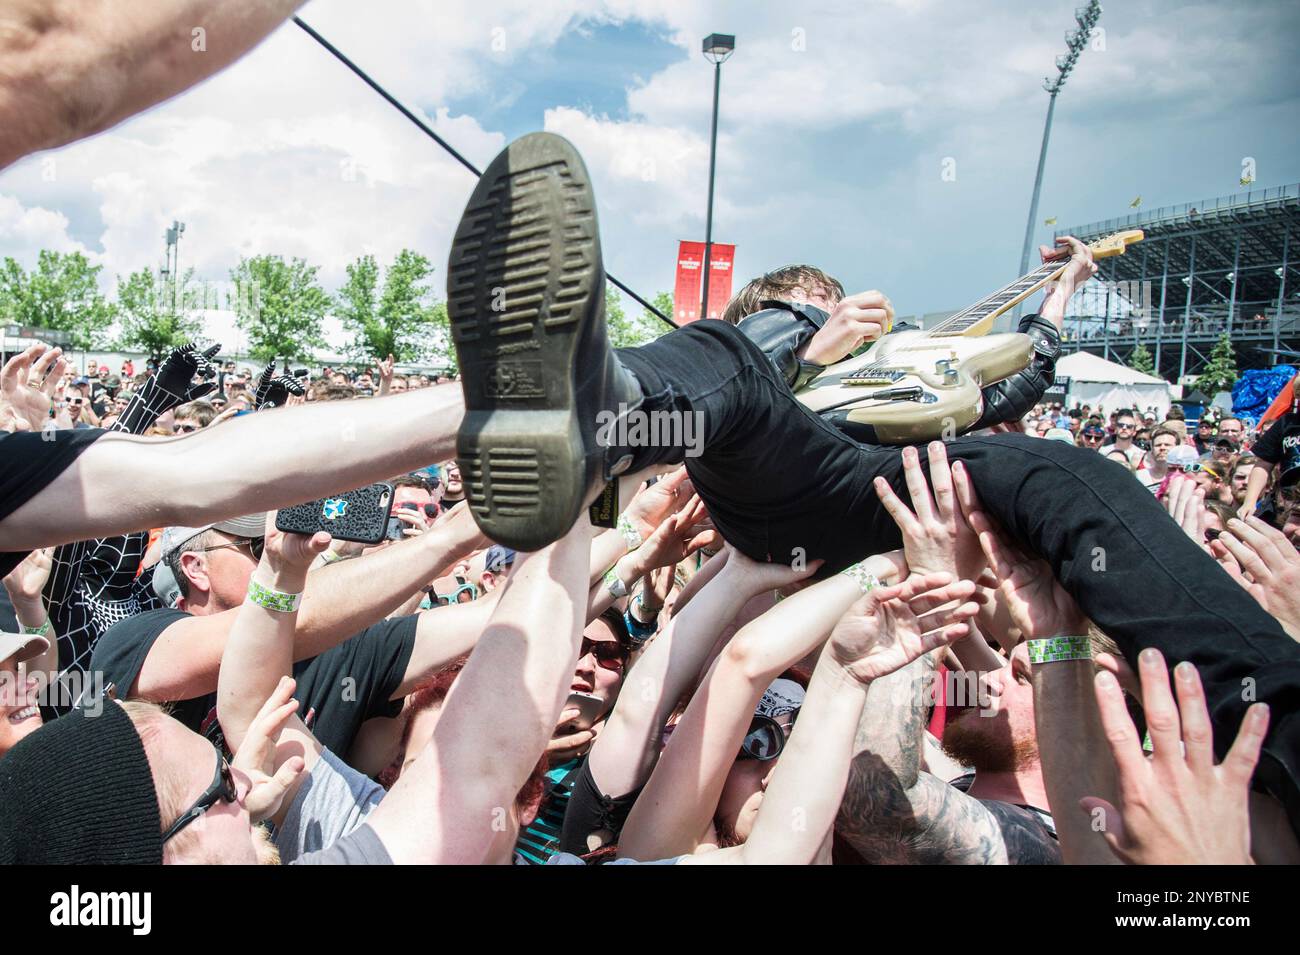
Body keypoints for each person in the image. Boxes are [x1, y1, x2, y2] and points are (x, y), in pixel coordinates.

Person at [444, 131, 1300, 829]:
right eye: (808, 316)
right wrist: (801, 345)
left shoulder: (883, 381)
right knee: (739, 374)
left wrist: (1065, 285)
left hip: (874, 504)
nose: (838, 327)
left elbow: (1017, 378)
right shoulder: (752, 371)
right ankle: (591, 413)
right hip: (781, 504)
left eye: (832, 314)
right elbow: (741, 397)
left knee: (1060, 472)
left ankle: (1282, 716)